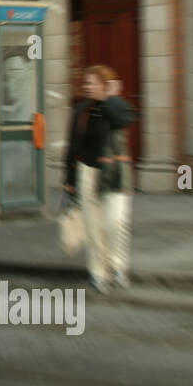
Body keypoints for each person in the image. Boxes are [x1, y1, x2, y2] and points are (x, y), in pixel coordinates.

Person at [63, 65, 137, 292]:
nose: (88, 87)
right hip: (87, 173)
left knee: (116, 223)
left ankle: (117, 266)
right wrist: (68, 179)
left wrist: (111, 97)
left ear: (104, 85)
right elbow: (72, 146)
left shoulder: (114, 108)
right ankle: (98, 272)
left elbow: (126, 119)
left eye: (93, 83)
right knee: (93, 228)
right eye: (87, 83)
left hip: (114, 173)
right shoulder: (81, 111)